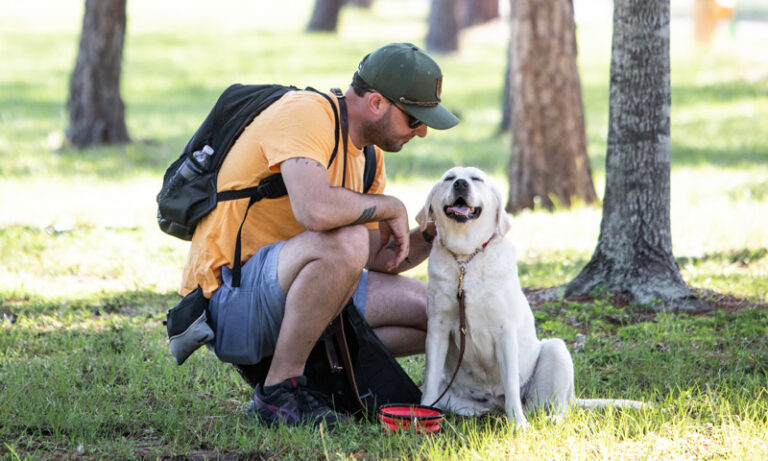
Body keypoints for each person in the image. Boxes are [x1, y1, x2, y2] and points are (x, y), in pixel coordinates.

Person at [179, 42, 459, 428]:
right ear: (376, 103)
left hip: (293, 292)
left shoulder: (368, 156)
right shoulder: (307, 114)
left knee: (440, 310)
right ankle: (278, 394)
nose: (423, 132)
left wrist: (434, 230)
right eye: (414, 119)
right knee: (346, 241)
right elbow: (314, 210)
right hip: (230, 299)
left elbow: (376, 258)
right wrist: (389, 206)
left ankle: (320, 381)